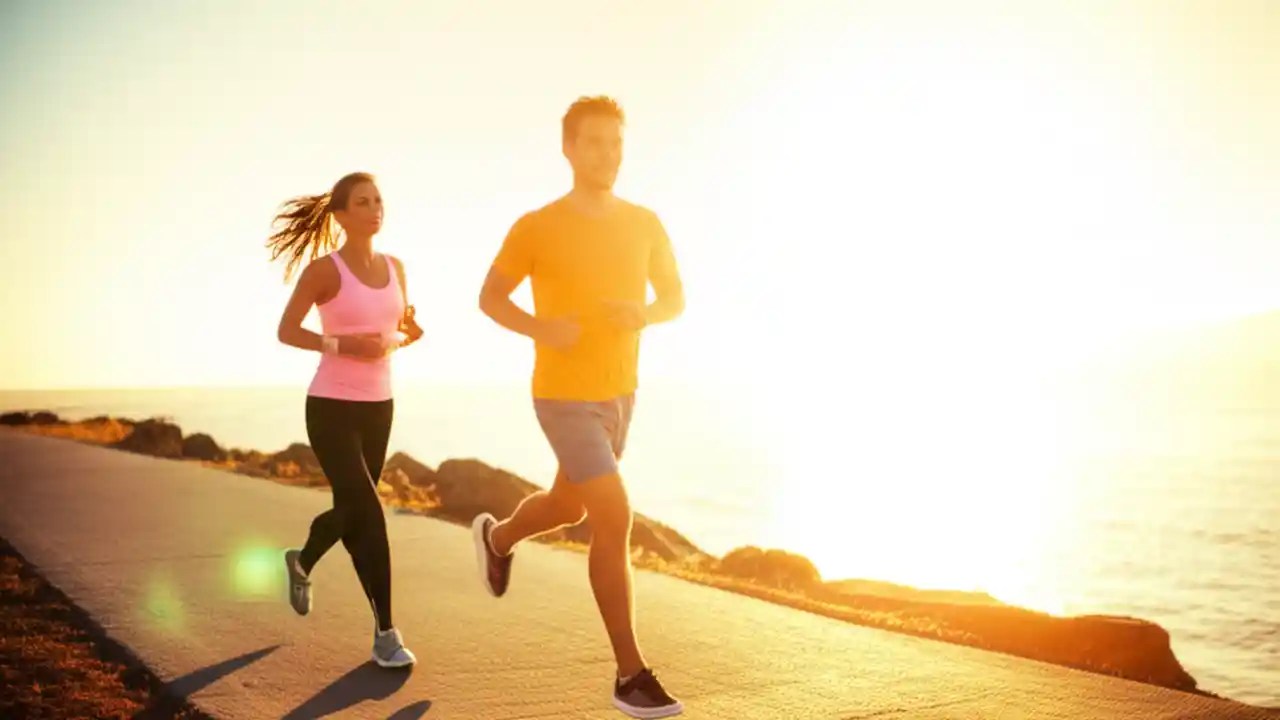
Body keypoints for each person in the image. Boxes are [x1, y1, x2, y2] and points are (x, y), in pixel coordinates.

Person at [473, 96, 686, 718]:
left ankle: (500, 537)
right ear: (568, 148)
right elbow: (490, 297)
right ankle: (629, 675)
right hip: (561, 394)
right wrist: (542, 329)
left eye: (616, 143)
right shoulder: (537, 225)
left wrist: (641, 314)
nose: (608, 154)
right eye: (595, 143)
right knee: (613, 513)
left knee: (568, 506)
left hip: (620, 392)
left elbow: (675, 297)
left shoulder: (645, 222)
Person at [270, 171, 424, 669]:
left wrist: (410, 331)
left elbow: (398, 328)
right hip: (331, 405)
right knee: (369, 513)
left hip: (380, 405)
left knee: (353, 511)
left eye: (379, 199)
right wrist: (342, 345)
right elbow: (286, 331)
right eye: (363, 201)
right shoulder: (324, 271)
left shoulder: (398, 267)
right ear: (340, 215)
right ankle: (386, 633)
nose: (375, 208)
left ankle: (302, 560)